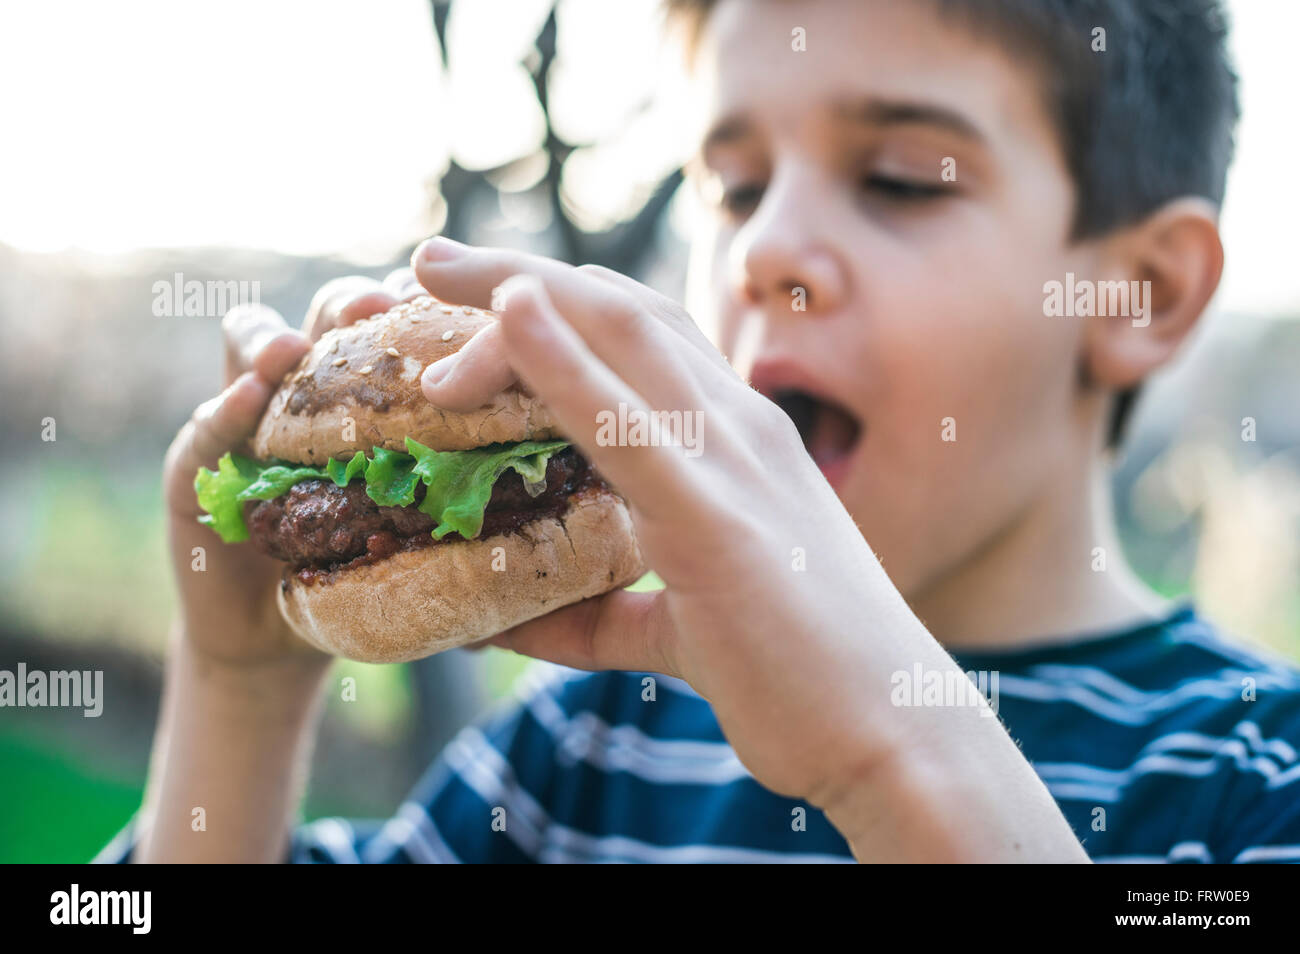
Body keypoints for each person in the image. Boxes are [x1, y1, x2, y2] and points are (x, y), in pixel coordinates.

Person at [98, 0, 1300, 863]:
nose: (768, 248)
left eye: (899, 177)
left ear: (1139, 294)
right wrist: (238, 688)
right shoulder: (579, 750)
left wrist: (893, 761)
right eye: (735, 185)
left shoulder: (1252, 781)